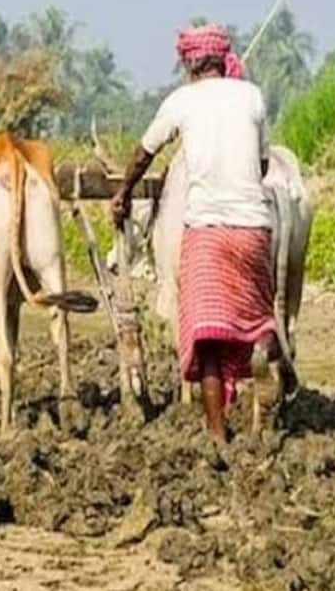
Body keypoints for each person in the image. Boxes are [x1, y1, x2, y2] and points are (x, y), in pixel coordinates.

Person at [110, 24, 275, 445]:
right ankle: (262, 348)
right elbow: (262, 167)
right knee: (258, 318)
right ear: (223, 60)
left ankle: (218, 436)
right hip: (254, 230)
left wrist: (123, 192)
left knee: (206, 342)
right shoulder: (252, 96)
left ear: (188, 63)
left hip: (207, 233)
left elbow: (145, 152)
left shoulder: (182, 100)